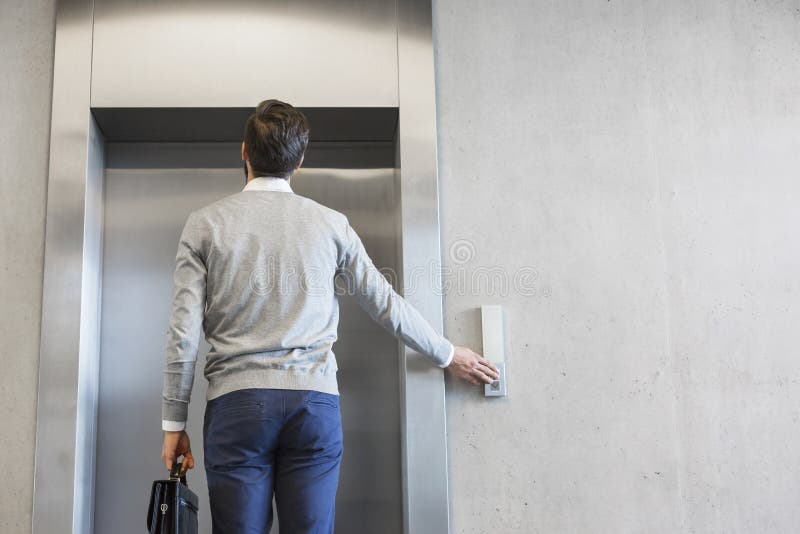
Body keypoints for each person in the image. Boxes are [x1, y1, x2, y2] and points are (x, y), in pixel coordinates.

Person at [160, 99, 499, 533]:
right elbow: (385, 303)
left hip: (237, 404)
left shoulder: (204, 225)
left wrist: (174, 423)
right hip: (313, 405)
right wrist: (448, 354)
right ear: (299, 161)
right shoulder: (331, 224)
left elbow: (182, 332)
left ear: (244, 151)